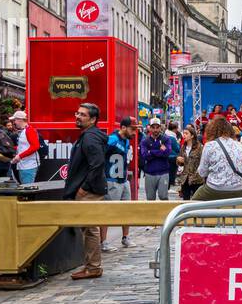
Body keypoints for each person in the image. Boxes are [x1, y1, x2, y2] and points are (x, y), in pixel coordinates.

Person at [65, 102, 107, 280]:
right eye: (77, 113)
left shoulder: (90, 137)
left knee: (90, 228)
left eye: (83, 114)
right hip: (88, 188)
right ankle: (91, 266)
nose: (78, 116)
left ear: (93, 119)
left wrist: (84, 188)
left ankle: (93, 267)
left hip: (89, 190)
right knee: (89, 228)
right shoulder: (89, 135)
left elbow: (97, 164)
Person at [195, 116, 242, 200]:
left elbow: (202, 172)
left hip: (215, 189)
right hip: (238, 190)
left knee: (191, 206)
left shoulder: (210, 145)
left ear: (211, 130)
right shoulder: (240, 145)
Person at [102, 117, 135, 250]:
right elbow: (101, 155)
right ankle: (103, 241)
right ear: (123, 128)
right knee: (108, 212)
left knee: (126, 210)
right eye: (132, 129)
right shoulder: (112, 139)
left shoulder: (126, 141)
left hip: (123, 179)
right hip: (112, 180)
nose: (134, 132)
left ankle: (125, 237)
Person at [139, 118, 171, 200]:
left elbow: (167, 153)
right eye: (153, 127)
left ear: (160, 127)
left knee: (163, 197)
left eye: (157, 127)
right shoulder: (145, 141)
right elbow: (145, 155)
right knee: (150, 199)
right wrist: (159, 151)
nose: (155, 130)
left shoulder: (166, 139)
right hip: (149, 173)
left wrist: (151, 151)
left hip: (163, 172)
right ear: (149, 128)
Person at [9, 110, 41, 184]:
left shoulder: (29, 130)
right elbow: (25, 147)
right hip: (25, 165)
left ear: (20, 120)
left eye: (15, 120)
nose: (14, 122)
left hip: (28, 165)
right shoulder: (26, 130)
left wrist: (19, 156)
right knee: (26, 189)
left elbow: (35, 146)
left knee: (27, 190)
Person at [176, 124, 203, 200]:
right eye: (183, 133)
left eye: (186, 133)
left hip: (196, 179)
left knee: (196, 200)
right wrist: (179, 160)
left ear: (192, 136)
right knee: (185, 200)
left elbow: (203, 162)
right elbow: (180, 164)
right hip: (185, 178)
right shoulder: (183, 147)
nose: (184, 135)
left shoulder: (200, 147)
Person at [165, 120, 181, 194]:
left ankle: (167, 188)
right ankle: (167, 188)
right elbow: (177, 148)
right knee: (171, 173)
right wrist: (178, 143)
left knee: (167, 172)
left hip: (166, 157)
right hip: (172, 157)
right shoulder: (172, 137)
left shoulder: (165, 134)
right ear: (174, 129)